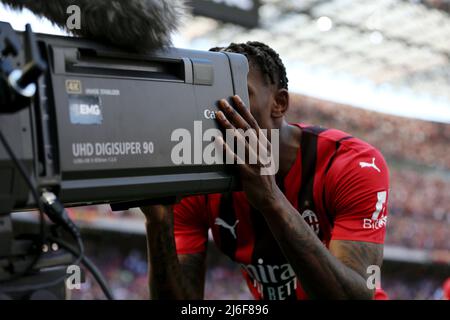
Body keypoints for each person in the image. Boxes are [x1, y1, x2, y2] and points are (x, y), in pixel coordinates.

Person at [141, 41, 390, 300]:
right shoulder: (199, 180)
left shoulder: (352, 163)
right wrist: (159, 223)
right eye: (206, 99)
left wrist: (271, 200)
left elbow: (357, 296)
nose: (215, 112)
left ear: (279, 103)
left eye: (235, 94)